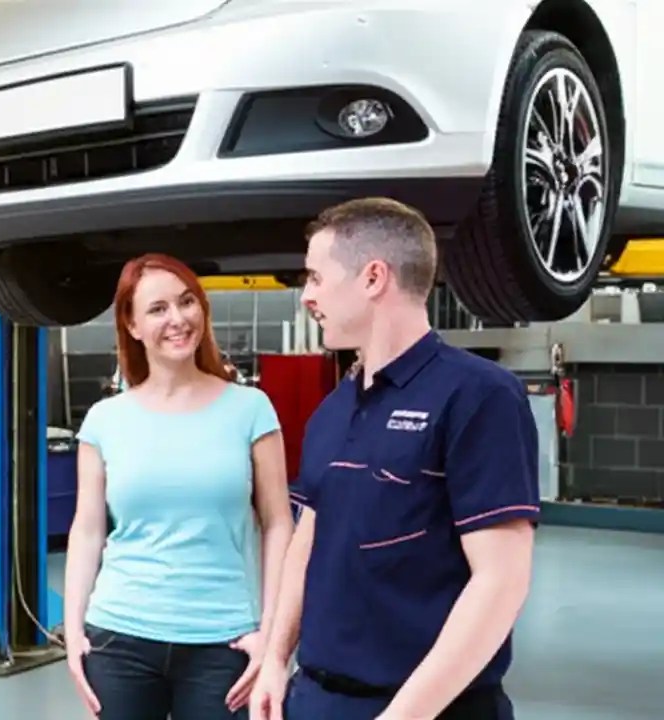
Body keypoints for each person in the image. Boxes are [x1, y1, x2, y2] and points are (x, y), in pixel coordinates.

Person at [249, 198, 540, 720]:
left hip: (430, 709)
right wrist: (275, 658)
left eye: (316, 277)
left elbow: (501, 580)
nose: (307, 297)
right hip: (315, 698)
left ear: (373, 277)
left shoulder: (478, 395)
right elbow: (306, 542)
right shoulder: (334, 409)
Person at [65, 253, 295, 720]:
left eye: (187, 302)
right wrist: (73, 634)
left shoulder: (250, 409)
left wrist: (271, 636)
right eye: (158, 309)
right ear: (131, 326)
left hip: (224, 641)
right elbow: (88, 530)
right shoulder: (105, 421)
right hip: (119, 637)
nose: (178, 319)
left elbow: (277, 524)